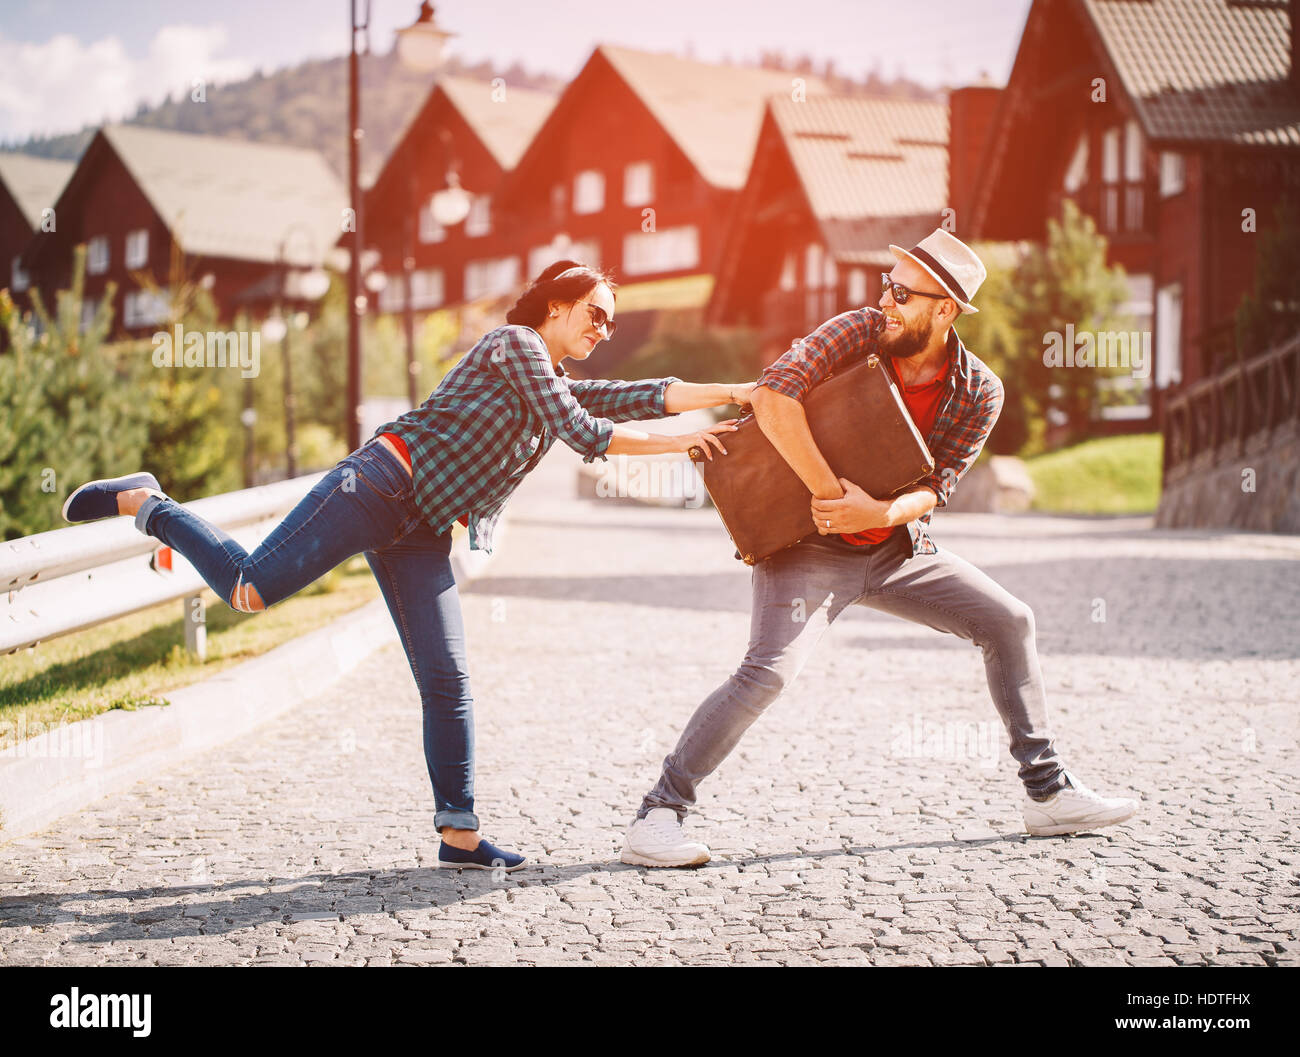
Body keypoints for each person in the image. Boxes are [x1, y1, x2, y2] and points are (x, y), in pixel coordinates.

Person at [62, 260, 753, 872]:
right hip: (376, 486)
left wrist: (738, 392)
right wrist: (686, 444)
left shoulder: (554, 380)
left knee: (448, 676)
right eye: (596, 314)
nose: (604, 329)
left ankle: (459, 833)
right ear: (557, 306)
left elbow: (641, 393)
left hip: (421, 528)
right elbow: (588, 434)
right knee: (247, 589)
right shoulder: (517, 345)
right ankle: (150, 501)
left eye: (610, 321)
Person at [620, 229, 1139, 868]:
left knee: (1010, 621)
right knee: (768, 672)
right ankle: (659, 814)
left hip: (899, 550)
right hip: (805, 544)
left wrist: (879, 513)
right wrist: (831, 499)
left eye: (902, 292)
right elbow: (773, 396)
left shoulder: (979, 391)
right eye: (886, 286)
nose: (885, 301)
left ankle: (1048, 794)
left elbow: (936, 486)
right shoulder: (856, 332)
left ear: (943, 309)